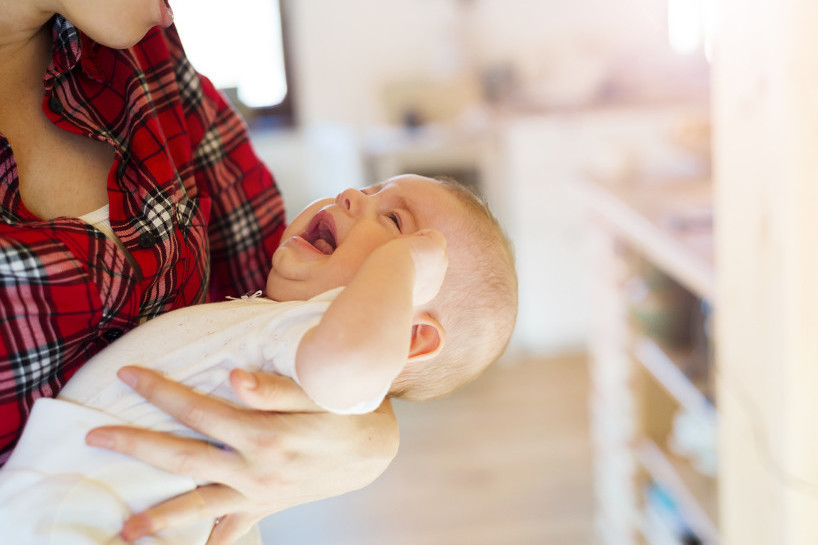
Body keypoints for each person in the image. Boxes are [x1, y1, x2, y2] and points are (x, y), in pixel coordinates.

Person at [0, 1, 400, 543]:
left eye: (396, 219)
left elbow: (290, 297)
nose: (352, 195)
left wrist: (370, 436)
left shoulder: (147, 58)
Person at [0, 174, 518, 544]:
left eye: (395, 219)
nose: (352, 195)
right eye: (371, 187)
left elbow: (348, 366)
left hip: (91, 516)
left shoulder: (314, 332)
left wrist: (399, 263)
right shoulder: (276, 323)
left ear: (410, 339)